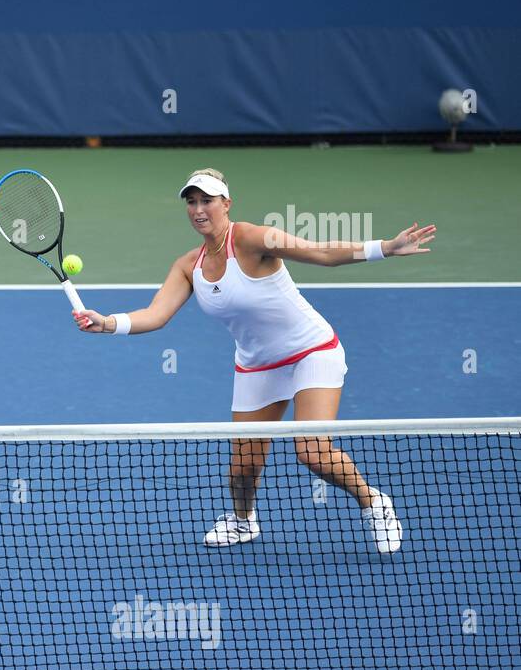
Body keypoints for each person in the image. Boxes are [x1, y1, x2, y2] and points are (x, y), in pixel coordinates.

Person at [74, 169, 436, 553]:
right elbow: (156, 314)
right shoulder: (188, 265)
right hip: (257, 366)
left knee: (312, 452)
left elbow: (319, 253)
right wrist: (108, 323)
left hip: (311, 351)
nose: (198, 209)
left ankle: (374, 503)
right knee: (242, 471)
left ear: (226, 204)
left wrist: (384, 247)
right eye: (192, 202)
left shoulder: (250, 238)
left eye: (207, 200)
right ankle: (243, 522)